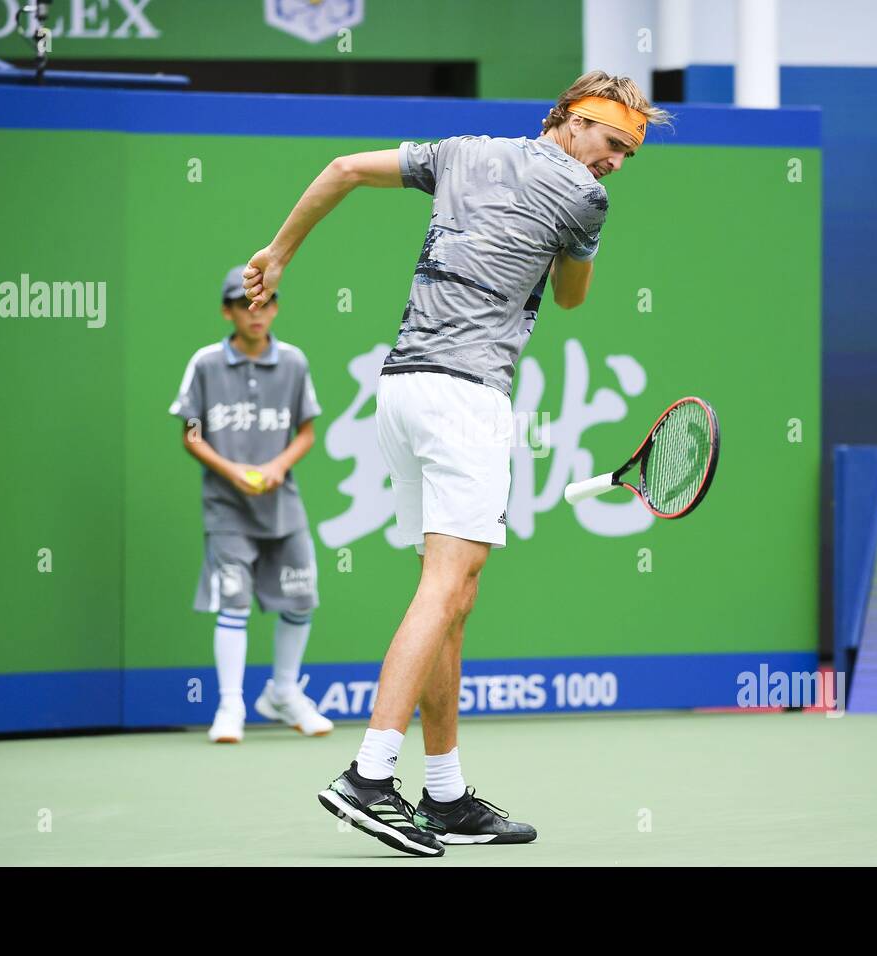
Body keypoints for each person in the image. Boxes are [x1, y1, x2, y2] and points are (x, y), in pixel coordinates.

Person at [244, 71, 672, 856]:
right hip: (467, 399)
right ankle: (370, 777)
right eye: (613, 143)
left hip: (401, 392)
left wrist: (279, 252)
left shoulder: (460, 152)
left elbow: (341, 170)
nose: (615, 163)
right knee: (445, 589)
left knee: (452, 596)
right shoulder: (586, 202)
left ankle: (443, 793)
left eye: (629, 155)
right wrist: (570, 241)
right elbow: (573, 300)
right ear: (573, 122)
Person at [169, 266, 332, 743]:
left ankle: (282, 693)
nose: (256, 313)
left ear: (276, 307)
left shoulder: (295, 363)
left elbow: (306, 431)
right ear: (228, 311)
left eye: (266, 303)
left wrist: (278, 465)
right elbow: (191, 433)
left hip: (283, 505)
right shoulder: (205, 364)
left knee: (301, 598)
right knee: (234, 601)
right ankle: (230, 707)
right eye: (244, 305)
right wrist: (233, 471)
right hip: (227, 509)